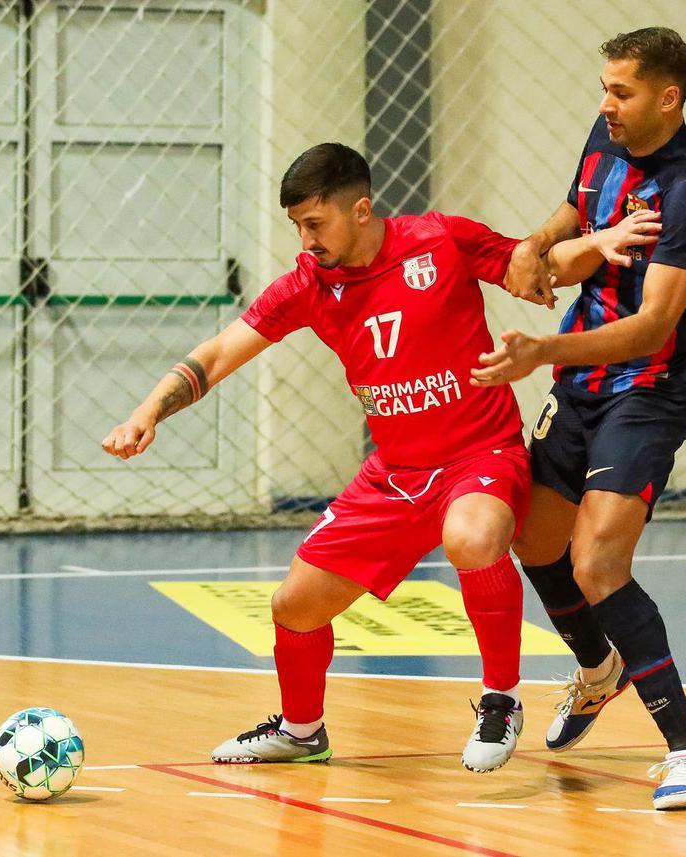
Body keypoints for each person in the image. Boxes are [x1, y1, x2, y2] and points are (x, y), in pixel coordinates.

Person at [103, 142, 534, 773]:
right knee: (293, 607)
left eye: (314, 223)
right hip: (394, 474)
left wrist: (594, 241)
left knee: (471, 537)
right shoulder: (310, 283)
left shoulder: (441, 240)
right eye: (296, 226)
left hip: (479, 454)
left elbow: (529, 262)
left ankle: (502, 698)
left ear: (360, 210)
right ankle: (302, 732)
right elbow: (221, 352)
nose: (305, 240)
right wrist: (146, 411)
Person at [473, 27, 686, 810]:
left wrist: (544, 345)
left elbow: (654, 325)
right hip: (583, 381)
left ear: (668, 96)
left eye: (619, 91)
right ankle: (596, 670)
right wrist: (539, 239)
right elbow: (573, 201)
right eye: (603, 87)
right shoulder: (606, 135)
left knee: (596, 564)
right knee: (532, 537)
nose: (604, 103)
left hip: (647, 388)